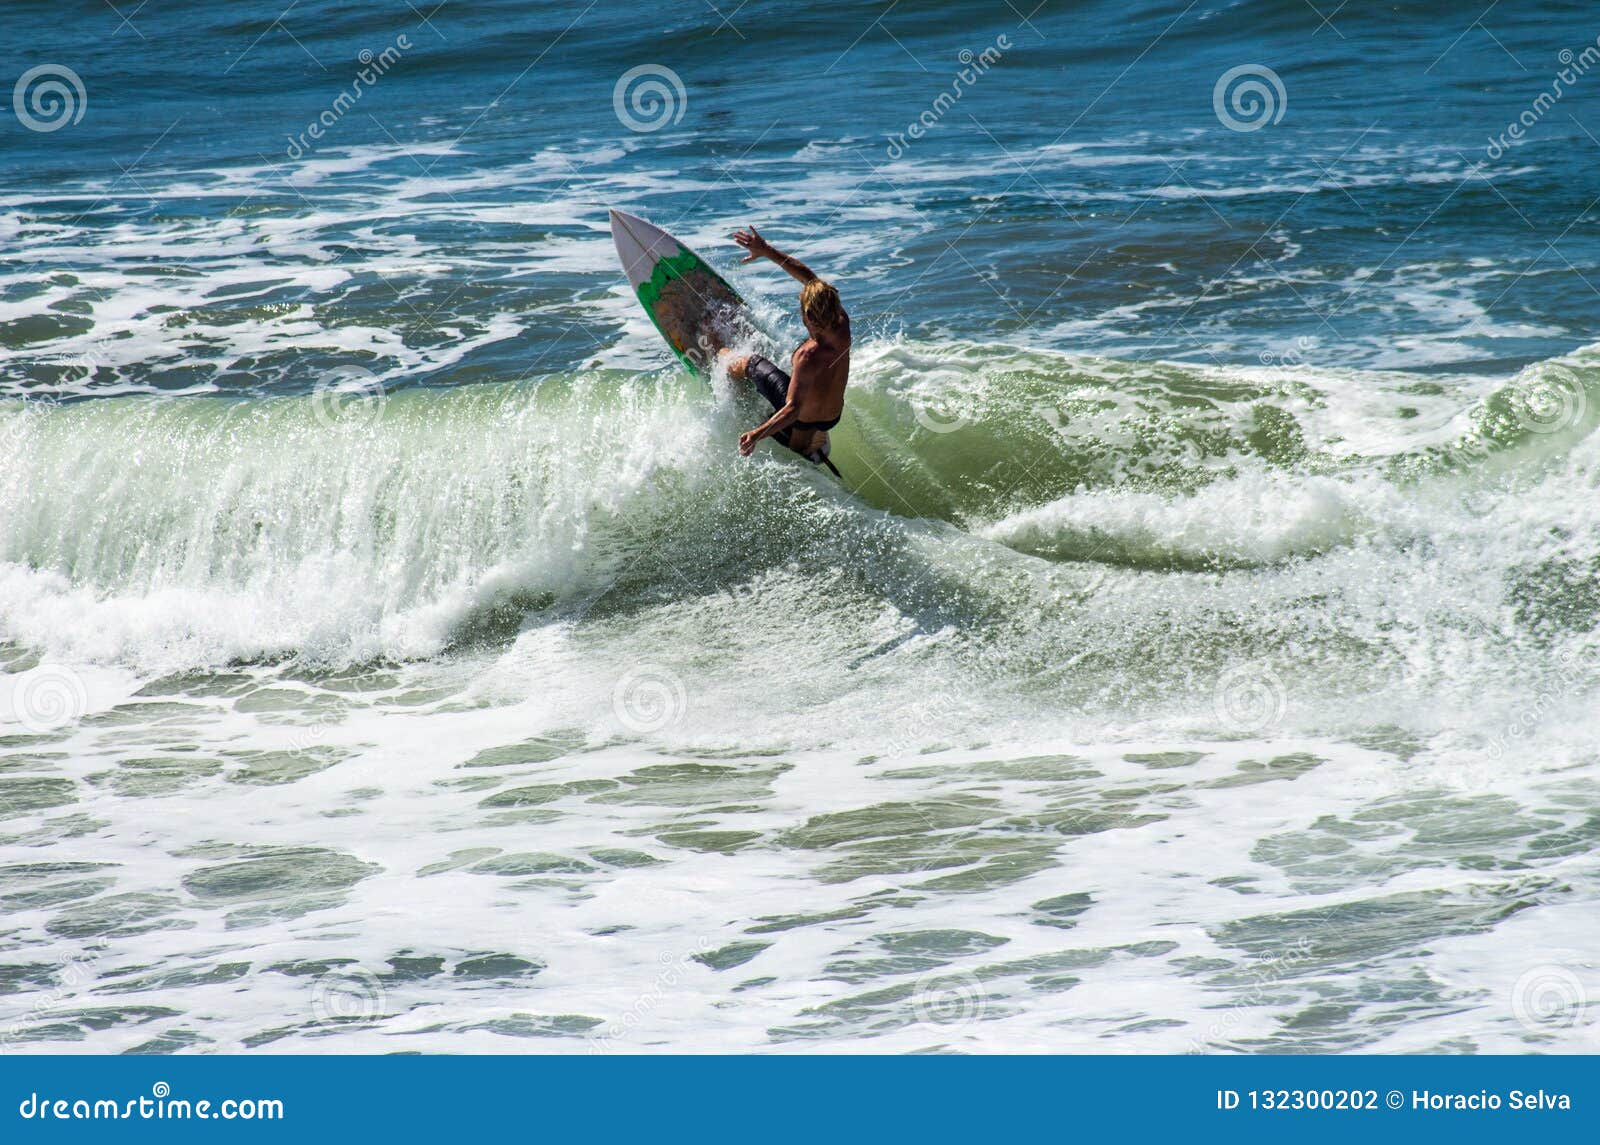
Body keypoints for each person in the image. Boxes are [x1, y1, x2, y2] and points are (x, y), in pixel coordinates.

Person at [718, 226, 850, 464]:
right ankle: (817, 436)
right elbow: (811, 280)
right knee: (808, 416)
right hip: (831, 416)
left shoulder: (808, 357)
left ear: (807, 315)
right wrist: (766, 251)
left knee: (750, 362)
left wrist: (756, 435)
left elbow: (793, 410)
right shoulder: (841, 326)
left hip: (802, 418)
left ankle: (802, 449)